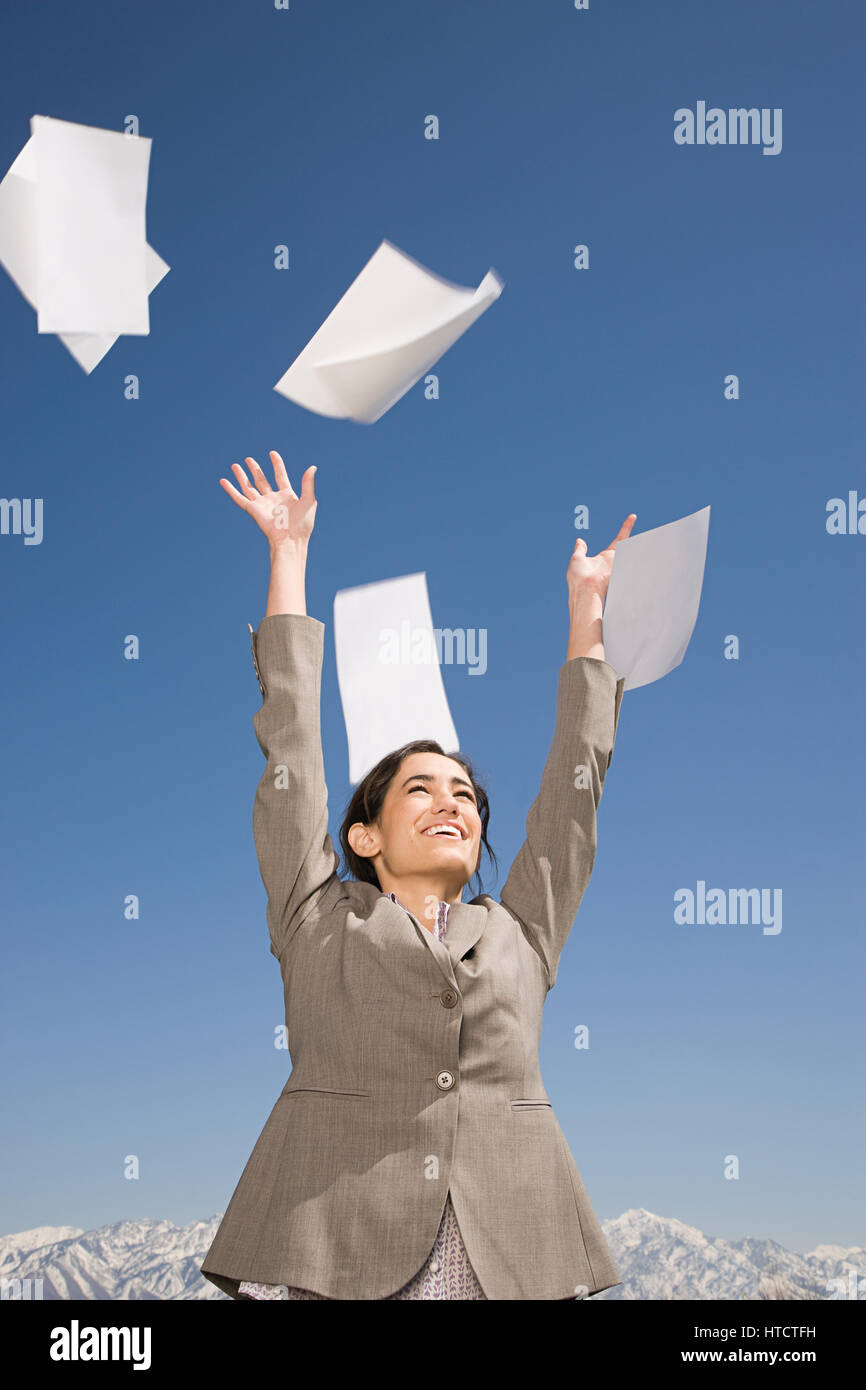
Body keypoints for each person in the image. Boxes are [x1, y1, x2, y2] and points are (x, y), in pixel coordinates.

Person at [200, 450, 634, 1300]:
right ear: (362, 835)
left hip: (509, 1255)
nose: (452, 803)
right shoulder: (316, 918)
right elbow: (290, 740)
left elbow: (575, 795)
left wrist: (588, 616)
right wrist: (288, 557)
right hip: (329, 1254)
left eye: (466, 795)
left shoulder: (521, 931)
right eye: (421, 789)